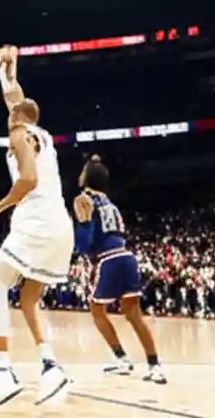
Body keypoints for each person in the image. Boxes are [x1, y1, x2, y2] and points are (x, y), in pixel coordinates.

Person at [0, 46, 74, 417]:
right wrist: (7, 71)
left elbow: (27, 180)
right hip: (61, 227)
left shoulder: (18, 135)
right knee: (28, 299)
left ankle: (1, 372)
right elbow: (15, 97)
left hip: (37, 223)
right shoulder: (41, 134)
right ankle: (51, 367)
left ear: (16, 118)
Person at [73, 156, 167, 385]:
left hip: (107, 259)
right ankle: (155, 366)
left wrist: (76, 243)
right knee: (133, 314)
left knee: (97, 311)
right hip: (127, 256)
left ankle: (122, 359)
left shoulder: (83, 199)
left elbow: (85, 242)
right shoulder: (109, 202)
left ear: (87, 177)